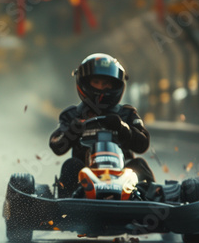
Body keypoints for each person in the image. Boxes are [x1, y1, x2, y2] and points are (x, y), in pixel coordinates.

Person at [49, 53, 155, 197]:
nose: (101, 88)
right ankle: (67, 206)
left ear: (115, 85)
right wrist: (73, 131)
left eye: (106, 84)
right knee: (71, 165)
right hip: (85, 178)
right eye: (96, 82)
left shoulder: (127, 114)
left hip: (123, 175)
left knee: (139, 165)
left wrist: (122, 127)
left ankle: (149, 202)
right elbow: (57, 146)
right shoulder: (72, 115)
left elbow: (143, 145)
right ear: (85, 83)